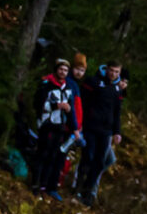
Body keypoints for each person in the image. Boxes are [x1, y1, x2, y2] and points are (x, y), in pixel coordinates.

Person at [76, 64, 127, 202]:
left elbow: (117, 112)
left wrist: (117, 132)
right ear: (106, 69)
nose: (113, 74)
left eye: (116, 72)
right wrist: (80, 123)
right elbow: (83, 102)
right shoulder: (94, 82)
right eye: (111, 70)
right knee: (88, 157)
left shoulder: (117, 89)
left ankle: (88, 191)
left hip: (106, 131)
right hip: (91, 127)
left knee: (100, 161)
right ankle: (78, 186)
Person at [29, 60, 75, 199]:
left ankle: (44, 185)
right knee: (42, 154)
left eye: (65, 70)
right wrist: (56, 106)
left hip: (60, 125)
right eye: (61, 69)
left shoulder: (68, 88)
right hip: (46, 124)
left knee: (52, 156)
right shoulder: (46, 84)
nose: (63, 72)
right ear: (56, 70)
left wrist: (73, 124)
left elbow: (71, 108)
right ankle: (35, 184)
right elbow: (38, 104)